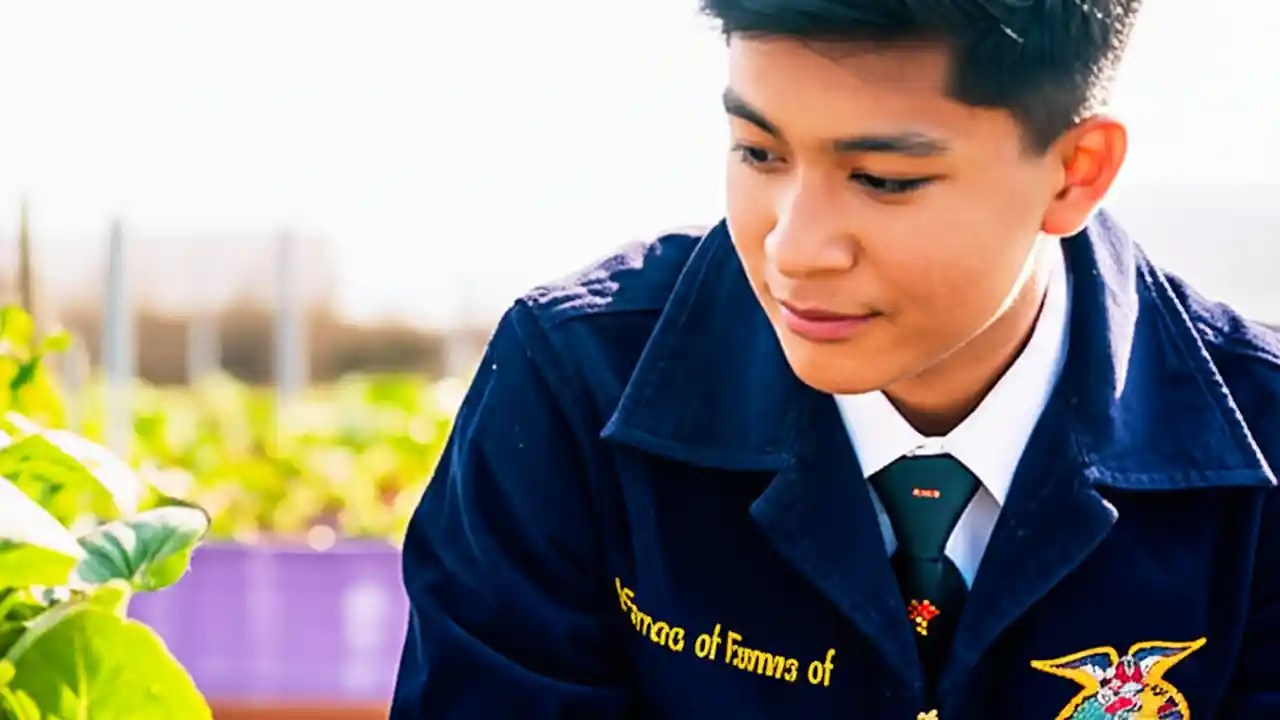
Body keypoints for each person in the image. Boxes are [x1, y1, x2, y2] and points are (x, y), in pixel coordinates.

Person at [390, 1, 1280, 717]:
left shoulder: (1263, 440)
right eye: (759, 152)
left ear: (1075, 171)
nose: (796, 247)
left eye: (884, 179)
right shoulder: (572, 388)